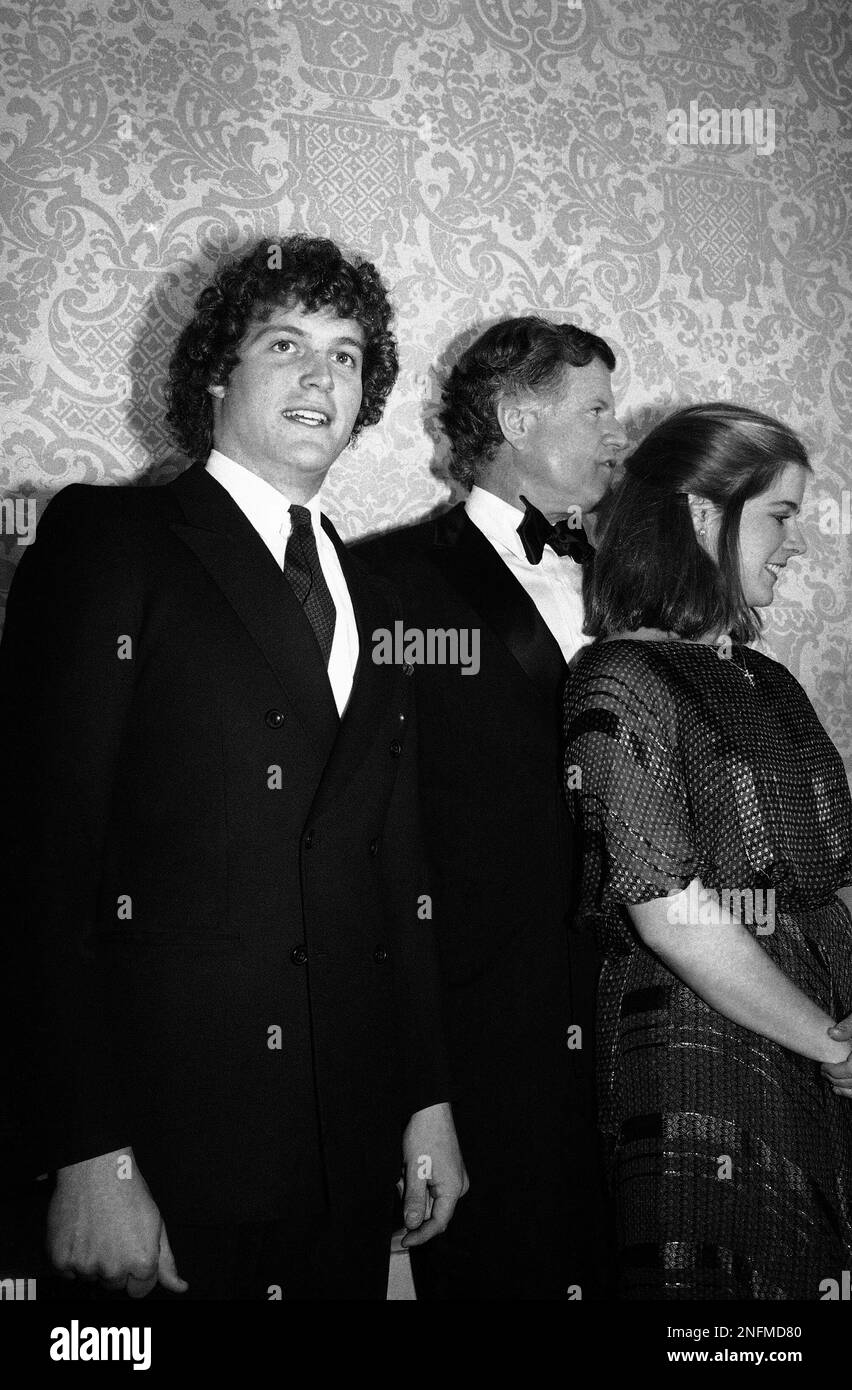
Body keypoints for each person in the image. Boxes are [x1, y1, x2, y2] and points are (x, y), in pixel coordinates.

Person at [0, 233, 467, 1301]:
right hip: (164, 1154)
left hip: (346, 1155)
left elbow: (402, 872)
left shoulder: (382, 595)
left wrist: (426, 1102)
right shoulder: (110, 538)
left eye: (347, 355)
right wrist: (87, 1149)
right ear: (216, 374)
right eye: (287, 344)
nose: (322, 379)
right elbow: (37, 855)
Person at [356, 316, 627, 1299]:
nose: (616, 431)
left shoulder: (629, 581)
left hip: (631, 1022)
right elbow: (370, 832)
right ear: (518, 417)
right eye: (597, 408)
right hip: (479, 1040)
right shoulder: (387, 583)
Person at [562, 401, 852, 1300]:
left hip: (818, 1031)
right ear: (699, 513)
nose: (795, 546)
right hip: (701, 1046)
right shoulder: (619, 676)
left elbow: (834, 876)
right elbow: (672, 914)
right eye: (779, 516)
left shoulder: (764, 676)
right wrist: (833, 1048)